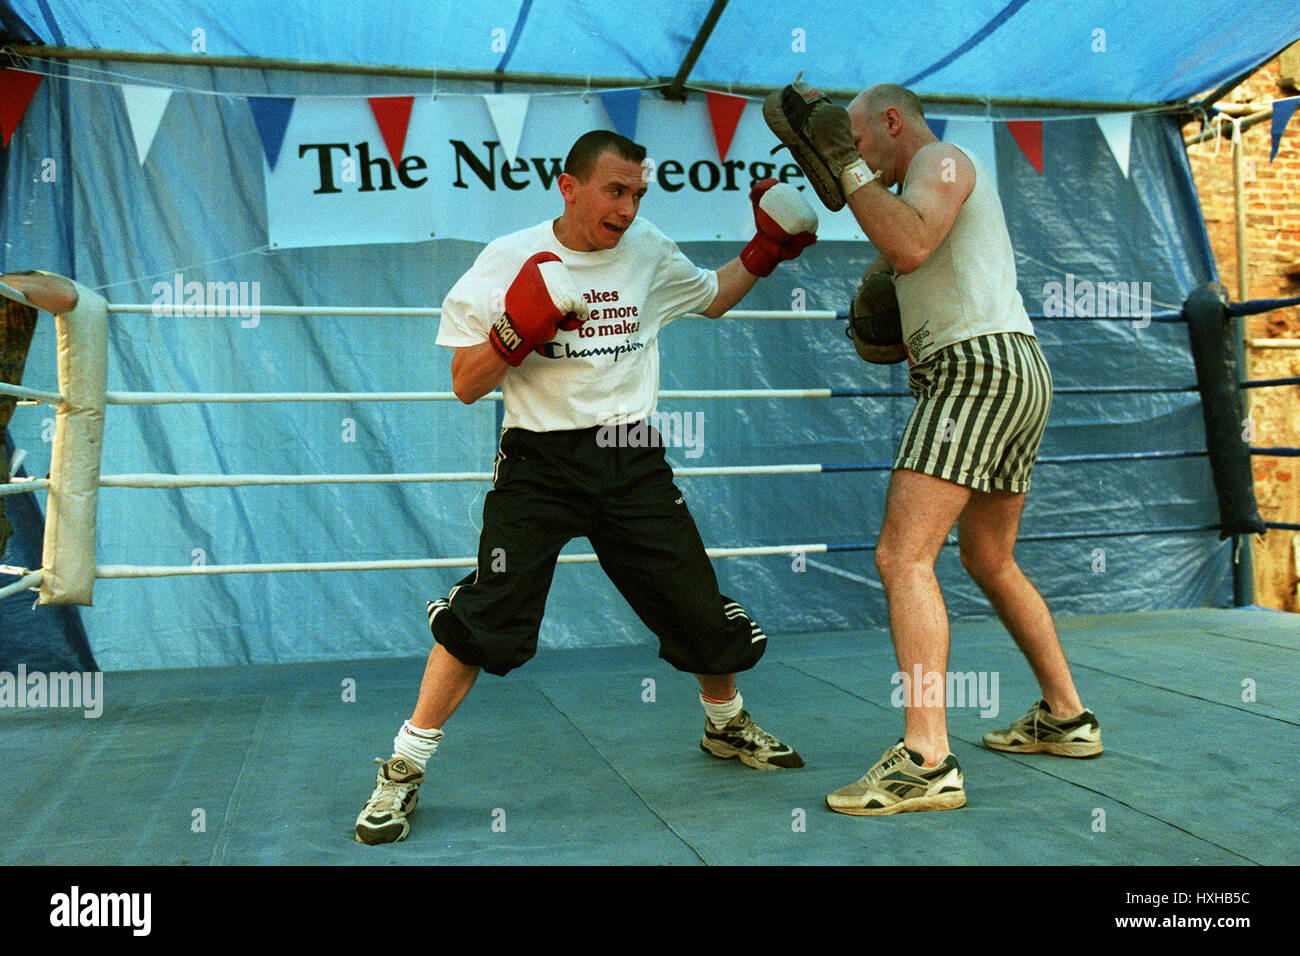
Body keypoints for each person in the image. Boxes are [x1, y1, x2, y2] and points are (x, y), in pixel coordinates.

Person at [355, 130, 817, 845]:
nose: (628, 208)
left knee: (692, 601)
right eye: (614, 191)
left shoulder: (648, 249)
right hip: (540, 461)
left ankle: (725, 726)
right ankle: (405, 766)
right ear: (569, 187)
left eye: (637, 193)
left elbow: (711, 299)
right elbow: (466, 385)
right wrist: (516, 332)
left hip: (630, 452)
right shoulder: (505, 260)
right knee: (489, 611)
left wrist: (760, 254)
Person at [764, 82, 1102, 816]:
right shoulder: (915, 185)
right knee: (989, 557)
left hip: (975, 370)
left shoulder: (943, 160)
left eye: (853, 141)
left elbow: (911, 242)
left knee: (901, 557)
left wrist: (847, 175)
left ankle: (925, 758)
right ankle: (1067, 715)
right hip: (1011, 369)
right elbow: (907, 259)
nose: (851, 158)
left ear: (892, 121)